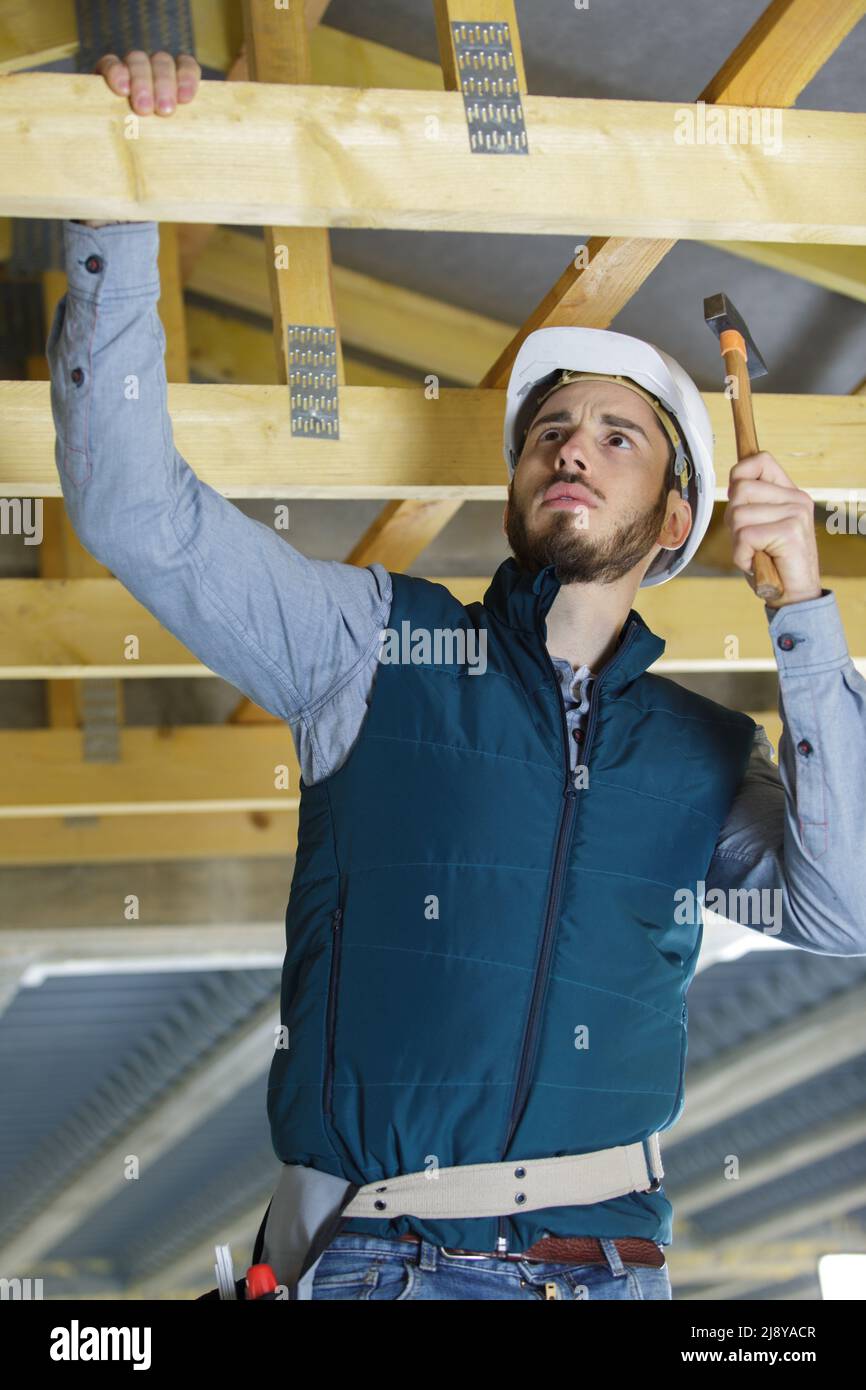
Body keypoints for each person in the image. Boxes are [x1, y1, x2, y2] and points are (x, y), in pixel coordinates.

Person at [49, 52, 866, 1301]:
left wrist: (802, 614)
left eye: (614, 436)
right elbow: (135, 513)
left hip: (608, 1271)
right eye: (548, 433)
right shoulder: (369, 646)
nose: (569, 453)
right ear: (514, 488)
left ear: (675, 514)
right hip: (379, 1261)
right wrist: (117, 192)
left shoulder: (703, 753)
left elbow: (848, 906)